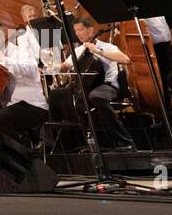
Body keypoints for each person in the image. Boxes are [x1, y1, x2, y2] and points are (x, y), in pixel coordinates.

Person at [48, 17, 135, 149]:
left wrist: (98, 51)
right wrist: (48, 68)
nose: (78, 34)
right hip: (86, 87)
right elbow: (65, 66)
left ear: (90, 30)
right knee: (56, 94)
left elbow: (125, 59)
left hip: (108, 86)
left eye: (81, 30)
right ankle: (56, 141)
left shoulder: (106, 46)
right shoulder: (79, 50)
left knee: (95, 96)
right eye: (75, 31)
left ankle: (126, 140)